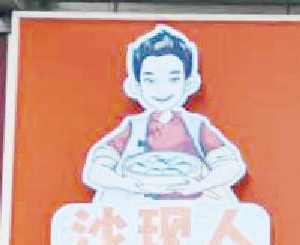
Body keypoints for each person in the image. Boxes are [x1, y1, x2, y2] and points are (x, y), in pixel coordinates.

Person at [81, 25, 246, 203]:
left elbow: (230, 165)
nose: (162, 89)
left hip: (194, 207)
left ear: (189, 83)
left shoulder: (196, 127)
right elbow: (96, 169)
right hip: (139, 208)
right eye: (150, 80)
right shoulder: (133, 128)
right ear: (136, 86)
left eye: (173, 79)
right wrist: (124, 184)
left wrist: (200, 185)